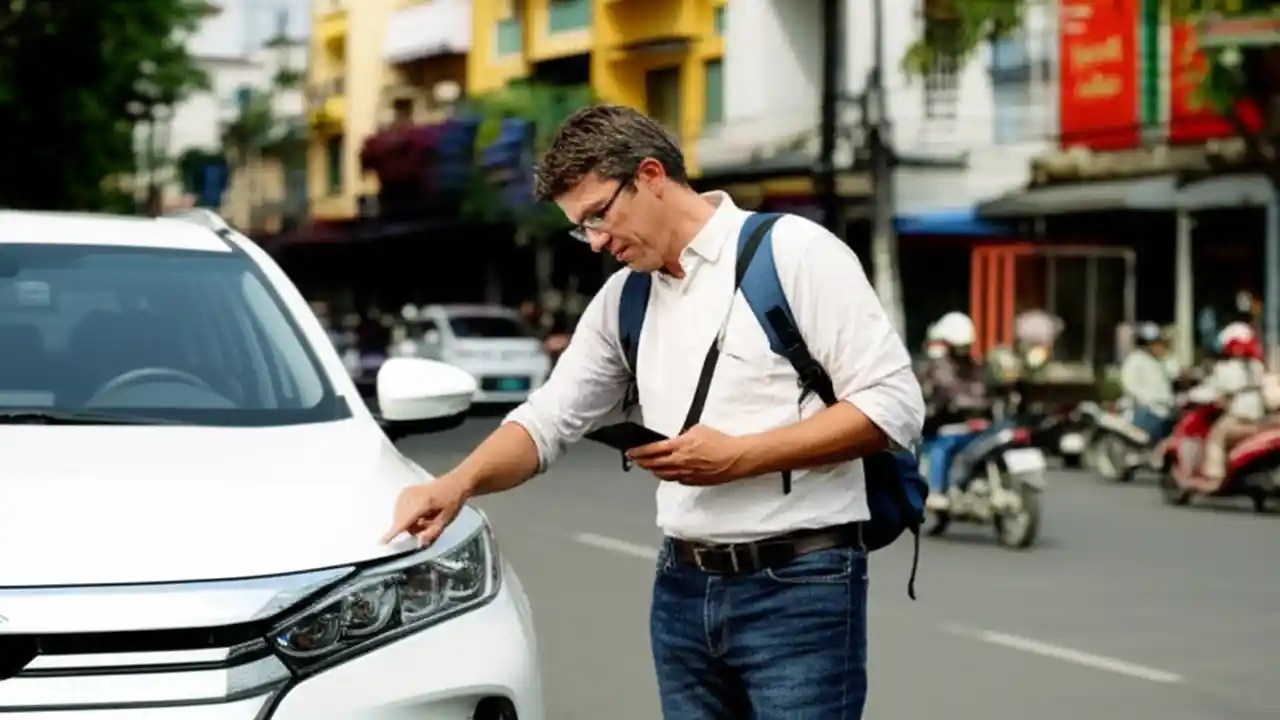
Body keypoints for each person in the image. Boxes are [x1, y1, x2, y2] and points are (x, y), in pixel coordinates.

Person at [381, 104, 924, 718]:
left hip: (800, 584)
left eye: (599, 216)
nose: (596, 243)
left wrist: (741, 457)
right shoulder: (625, 298)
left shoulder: (795, 253)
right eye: (580, 228)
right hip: (682, 587)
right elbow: (547, 418)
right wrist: (457, 483)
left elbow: (894, 406)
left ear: (650, 175)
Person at [917, 312, 988, 510]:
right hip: (957, 420)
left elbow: (950, 389)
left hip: (956, 423)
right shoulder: (955, 363)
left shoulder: (950, 365)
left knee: (941, 446)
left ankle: (936, 490)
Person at [1198, 323, 1268, 483]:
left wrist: (1189, 397)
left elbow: (1210, 392)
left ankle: (1215, 476)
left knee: (1215, 438)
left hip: (1237, 417)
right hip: (1259, 419)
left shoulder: (1225, 369)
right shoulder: (1257, 366)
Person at [1119, 322, 1176, 442]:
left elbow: (1175, 373)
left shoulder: (1160, 362)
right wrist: (1149, 400)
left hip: (1163, 411)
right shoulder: (1135, 360)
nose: (1160, 346)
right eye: (1156, 343)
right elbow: (1130, 387)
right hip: (1145, 412)